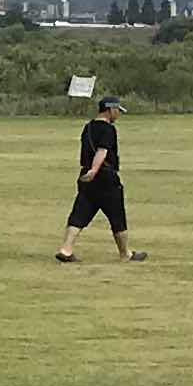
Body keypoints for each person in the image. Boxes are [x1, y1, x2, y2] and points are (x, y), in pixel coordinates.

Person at [58, 96, 143, 262]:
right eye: (117, 110)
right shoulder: (108, 130)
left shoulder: (88, 127)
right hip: (104, 176)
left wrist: (88, 172)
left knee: (80, 212)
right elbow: (102, 151)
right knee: (116, 214)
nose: (118, 114)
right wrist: (94, 170)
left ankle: (66, 249)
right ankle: (125, 253)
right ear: (110, 109)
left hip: (85, 176)